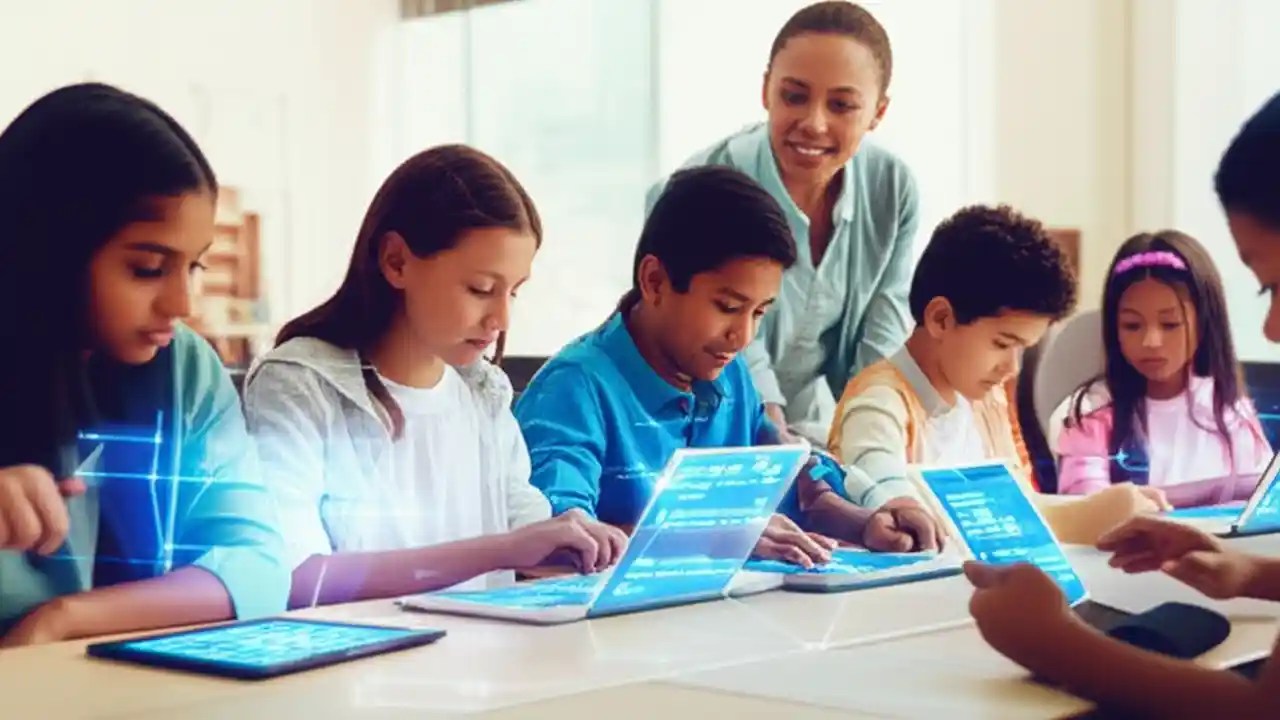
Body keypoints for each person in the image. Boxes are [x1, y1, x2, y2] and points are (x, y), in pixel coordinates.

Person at [962, 91, 1280, 719]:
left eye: (1275, 283)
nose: (1270, 328)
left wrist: (1051, 643)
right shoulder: (1092, 412)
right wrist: (1250, 575)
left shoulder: (1225, 406)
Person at [244, 145, 626, 608]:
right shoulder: (300, 385)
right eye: (481, 289)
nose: (501, 318)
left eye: (514, 292)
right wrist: (501, 550)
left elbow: (527, 529)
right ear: (396, 261)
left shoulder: (482, 391)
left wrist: (584, 546)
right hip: (352, 670)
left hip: (479, 668)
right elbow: (297, 578)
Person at [518, 165, 935, 564]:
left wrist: (869, 523)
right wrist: (715, 535)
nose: (744, 336)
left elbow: (794, 487)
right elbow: (555, 545)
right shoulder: (574, 389)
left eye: (760, 313)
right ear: (655, 282)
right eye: (728, 306)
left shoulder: (728, 376)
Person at [0, 83, 289, 646]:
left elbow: (257, 567)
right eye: (148, 268)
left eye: (195, 267)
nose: (182, 305)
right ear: (50, 252)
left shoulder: (186, 368)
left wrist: (63, 619)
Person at [648, 1, 918, 443]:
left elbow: (883, 329)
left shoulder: (894, 187)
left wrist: (866, 435)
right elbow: (723, 338)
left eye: (842, 105)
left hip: (811, 427)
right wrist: (769, 430)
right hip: (705, 422)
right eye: (794, 96)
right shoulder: (700, 187)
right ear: (765, 90)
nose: (813, 123)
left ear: (878, 113)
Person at [821, 205, 1167, 547]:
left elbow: (1019, 502)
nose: (1012, 368)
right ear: (941, 319)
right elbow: (901, 512)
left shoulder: (984, 400)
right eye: (1003, 344)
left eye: (1023, 350)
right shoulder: (878, 404)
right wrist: (1080, 517)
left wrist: (1107, 508)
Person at [1057, 232, 1271, 503]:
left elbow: (1262, 505)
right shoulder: (1093, 413)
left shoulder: (1229, 411)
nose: (1151, 342)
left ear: (1205, 322)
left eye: (1170, 324)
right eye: (1132, 325)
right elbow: (1084, 507)